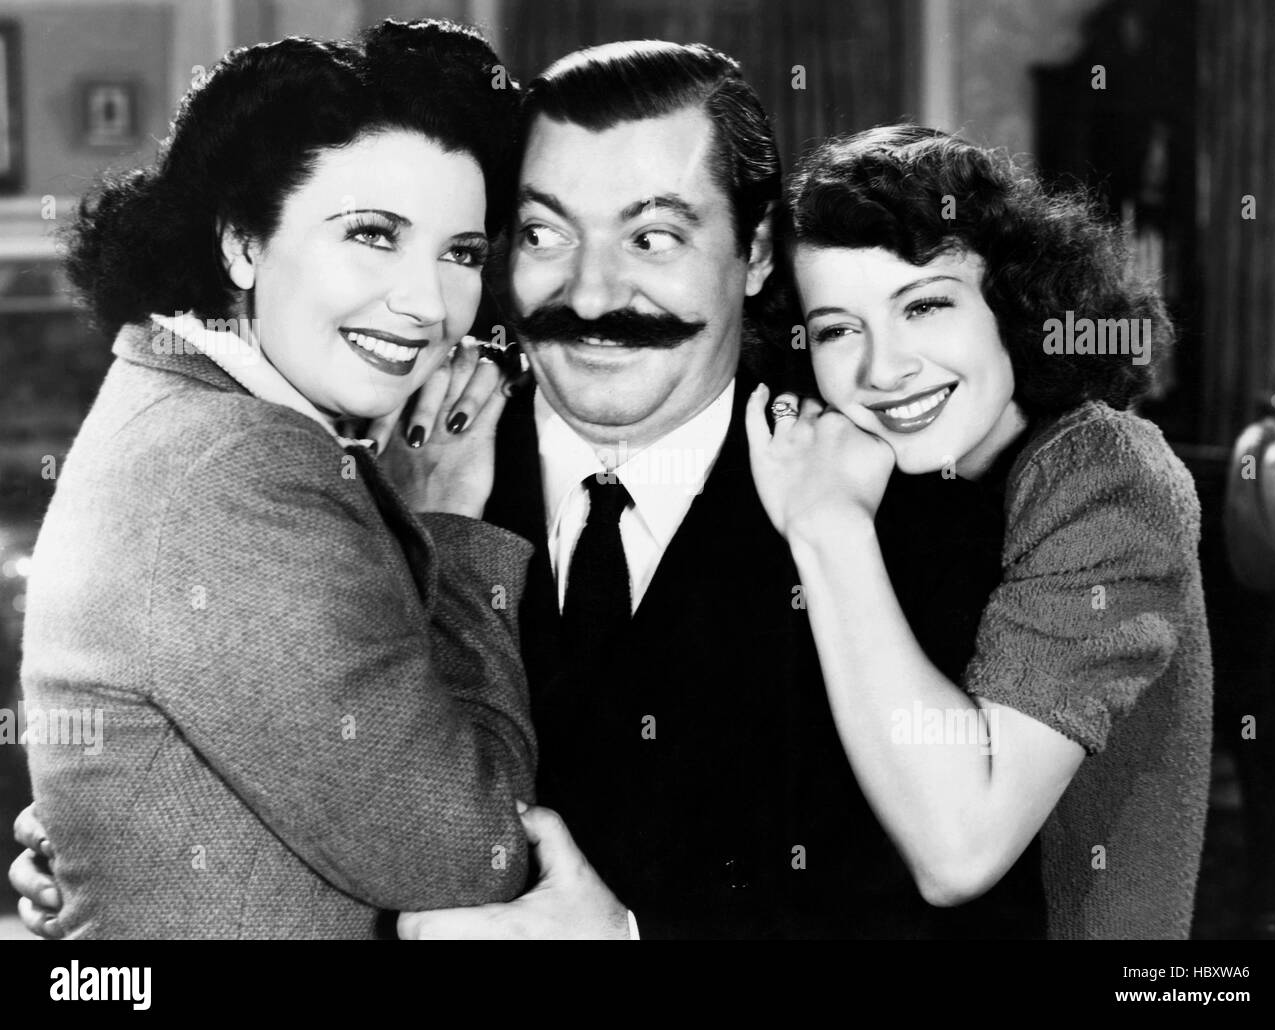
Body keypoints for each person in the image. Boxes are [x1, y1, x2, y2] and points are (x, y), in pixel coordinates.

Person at [15, 43, 1044, 941]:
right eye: (546, 235)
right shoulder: (388, 456)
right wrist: (134, 835)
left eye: (653, 238)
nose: (592, 295)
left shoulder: (893, 489)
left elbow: (978, 914)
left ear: (757, 253)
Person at [8, 18, 537, 939]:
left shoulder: (173, 395)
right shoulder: (242, 466)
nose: (428, 303)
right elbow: (469, 854)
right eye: (374, 234)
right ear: (243, 243)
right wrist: (451, 525)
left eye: (460, 252)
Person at [744, 125, 1214, 938]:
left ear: (1015, 303)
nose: (882, 370)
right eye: (836, 329)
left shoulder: (1108, 473)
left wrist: (828, 529)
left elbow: (958, 852)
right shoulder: (874, 464)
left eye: (924, 305)